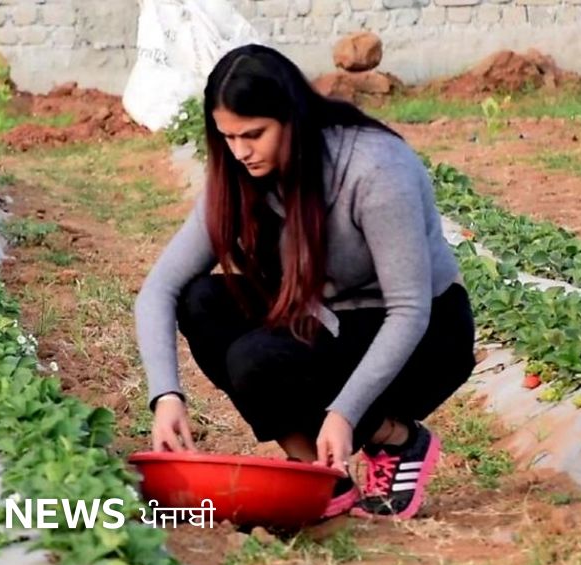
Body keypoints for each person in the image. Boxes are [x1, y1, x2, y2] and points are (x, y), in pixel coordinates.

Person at [134, 43, 477, 521]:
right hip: (331, 324)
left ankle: (397, 440)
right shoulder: (238, 172)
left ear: (291, 118)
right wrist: (166, 395)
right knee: (203, 300)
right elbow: (160, 289)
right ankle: (316, 471)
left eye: (253, 134)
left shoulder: (374, 170)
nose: (240, 152)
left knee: (256, 359)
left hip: (424, 337)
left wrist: (346, 415)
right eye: (228, 137)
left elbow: (409, 311)